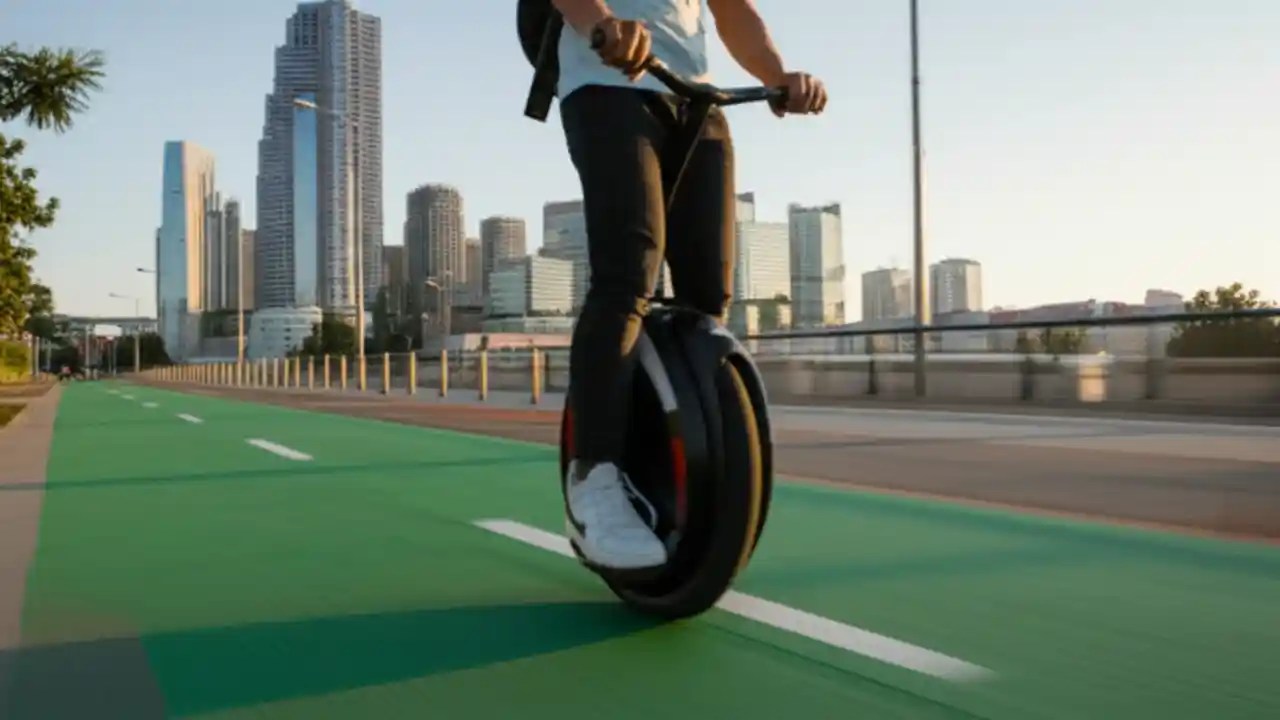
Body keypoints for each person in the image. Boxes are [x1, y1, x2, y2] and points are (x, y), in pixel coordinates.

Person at [553, 0, 827, 570]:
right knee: (628, 277)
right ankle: (594, 480)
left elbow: (736, 13)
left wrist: (777, 76)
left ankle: (686, 472)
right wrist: (600, 25)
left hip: (698, 99)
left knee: (707, 303)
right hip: (607, 83)